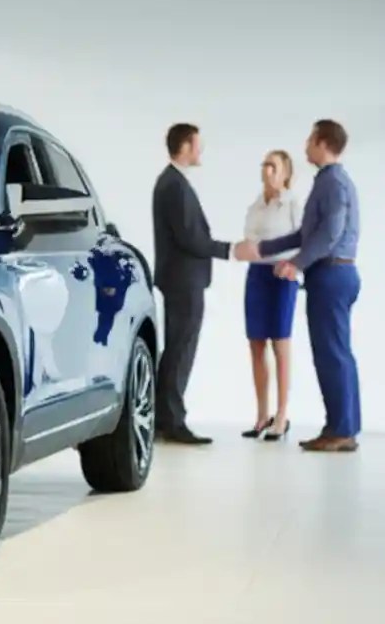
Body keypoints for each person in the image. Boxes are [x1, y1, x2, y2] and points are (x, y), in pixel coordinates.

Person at [234, 119, 361, 452]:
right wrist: (262, 249)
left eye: (310, 139)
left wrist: (297, 263)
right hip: (333, 275)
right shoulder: (329, 181)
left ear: (323, 142)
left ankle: (340, 430)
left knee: (332, 355)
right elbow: (305, 235)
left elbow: (329, 233)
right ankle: (344, 427)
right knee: (337, 354)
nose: (306, 145)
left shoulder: (332, 182)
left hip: (332, 275)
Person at [151, 123, 232, 445]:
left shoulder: (172, 182)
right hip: (183, 280)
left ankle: (164, 417)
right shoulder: (174, 185)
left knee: (177, 347)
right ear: (185, 146)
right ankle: (172, 421)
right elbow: (191, 238)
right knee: (181, 349)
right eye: (198, 144)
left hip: (179, 279)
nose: (201, 150)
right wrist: (228, 250)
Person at [240, 151, 302, 441]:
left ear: (285, 173)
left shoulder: (292, 204)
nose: (267, 170)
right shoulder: (255, 205)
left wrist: (290, 263)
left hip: (282, 276)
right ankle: (262, 415)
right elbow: (249, 240)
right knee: (256, 343)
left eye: (273, 166)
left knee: (281, 344)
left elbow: (301, 240)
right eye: (264, 165)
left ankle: (282, 414)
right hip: (257, 274)